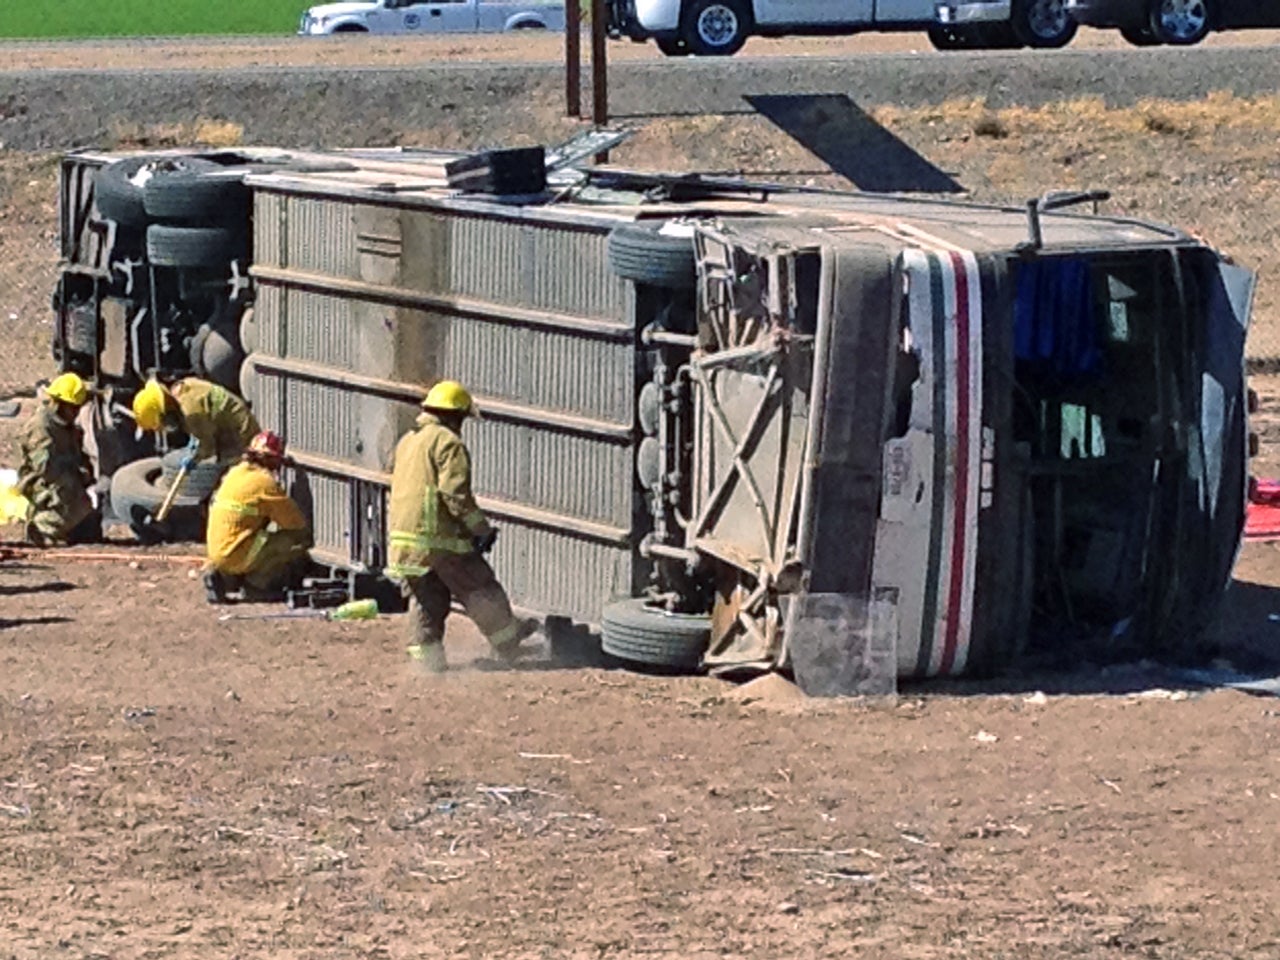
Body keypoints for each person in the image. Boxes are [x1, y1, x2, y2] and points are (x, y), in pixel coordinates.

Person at [385, 379, 537, 672]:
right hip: (438, 540)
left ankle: (427, 663)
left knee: (426, 600)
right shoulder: (449, 443)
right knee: (479, 586)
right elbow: (455, 495)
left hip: (404, 541)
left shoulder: (409, 440)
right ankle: (508, 640)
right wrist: (481, 529)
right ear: (454, 415)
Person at [203, 430, 313, 603]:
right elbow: (295, 523)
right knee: (295, 540)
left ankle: (224, 579)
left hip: (216, 552)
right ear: (270, 459)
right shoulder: (264, 483)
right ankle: (257, 586)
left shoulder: (235, 473)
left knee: (251, 539)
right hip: (237, 552)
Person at [15, 373, 100, 546]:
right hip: (45, 483)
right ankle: (41, 527)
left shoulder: (66, 426)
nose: (76, 413)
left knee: (90, 527)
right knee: (62, 494)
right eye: (72, 408)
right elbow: (44, 468)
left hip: (68, 480)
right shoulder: (41, 427)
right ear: (58, 404)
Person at [131, 377, 260, 465]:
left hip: (241, 433)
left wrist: (195, 457)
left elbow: (208, 447)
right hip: (233, 416)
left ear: (165, 414)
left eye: (162, 425)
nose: (166, 428)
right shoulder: (183, 385)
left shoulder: (191, 414)